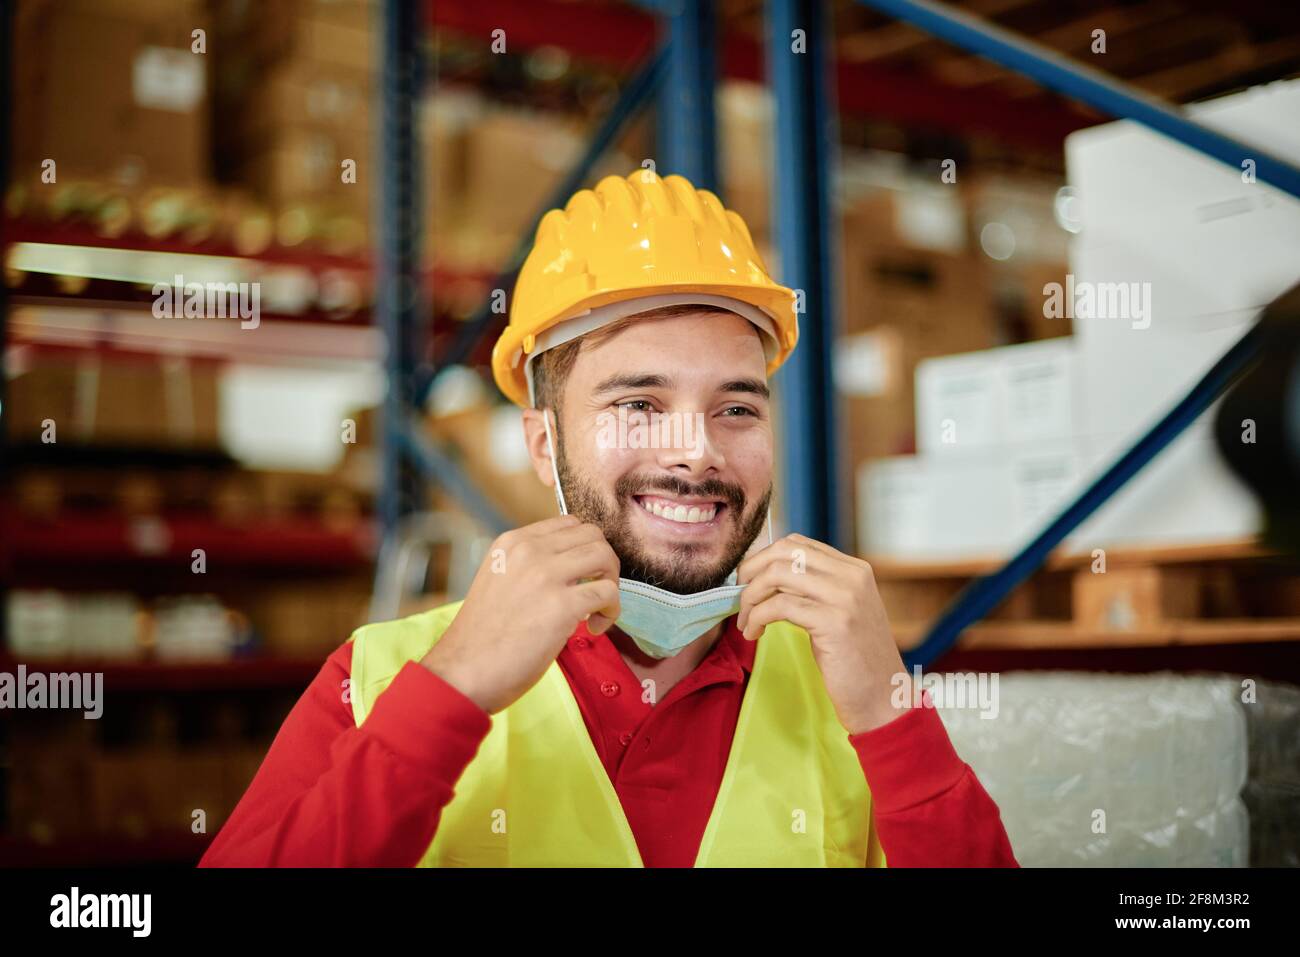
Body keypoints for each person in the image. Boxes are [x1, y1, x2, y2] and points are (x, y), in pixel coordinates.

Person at [201, 170, 1018, 867]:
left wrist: (890, 715)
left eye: (736, 407)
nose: (695, 452)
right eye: (639, 401)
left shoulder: (848, 684)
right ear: (542, 442)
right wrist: (450, 692)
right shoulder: (377, 678)